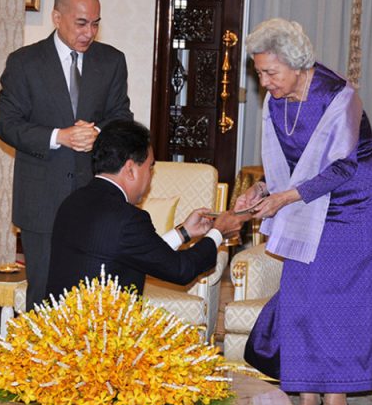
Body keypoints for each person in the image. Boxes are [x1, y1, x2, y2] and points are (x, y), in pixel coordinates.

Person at [237, 18, 372, 405]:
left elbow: (342, 165)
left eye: (271, 73)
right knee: (300, 289)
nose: (265, 82)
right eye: (259, 74)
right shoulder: (276, 100)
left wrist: (283, 200)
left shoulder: (337, 95)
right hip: (310, 198)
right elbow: (284, 164)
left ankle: (336, 401)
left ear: (298, 64)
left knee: (336, 298)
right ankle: (305, 395)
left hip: (357, 200)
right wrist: (260, 191)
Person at [0, 0, 133, 310]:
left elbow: (121, 117)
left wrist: (96, 132)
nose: (90, 32)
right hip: (41, 202)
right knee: (43, 295)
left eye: (96, 23)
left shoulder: (111, 61)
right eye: (82, 23)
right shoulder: (24, 62)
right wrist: (60, 136)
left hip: (94, 200)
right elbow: (8, 125)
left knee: (90, 299)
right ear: (57, 17)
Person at [45, 119, 246, 300]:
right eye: (150, 167)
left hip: (62, 330)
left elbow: (144, 254)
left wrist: (184, 232)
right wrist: (218, 232)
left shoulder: (72, 202)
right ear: (131, 169)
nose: (150, 176)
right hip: (103, 335)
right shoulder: (128, 218)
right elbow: (181, 270)